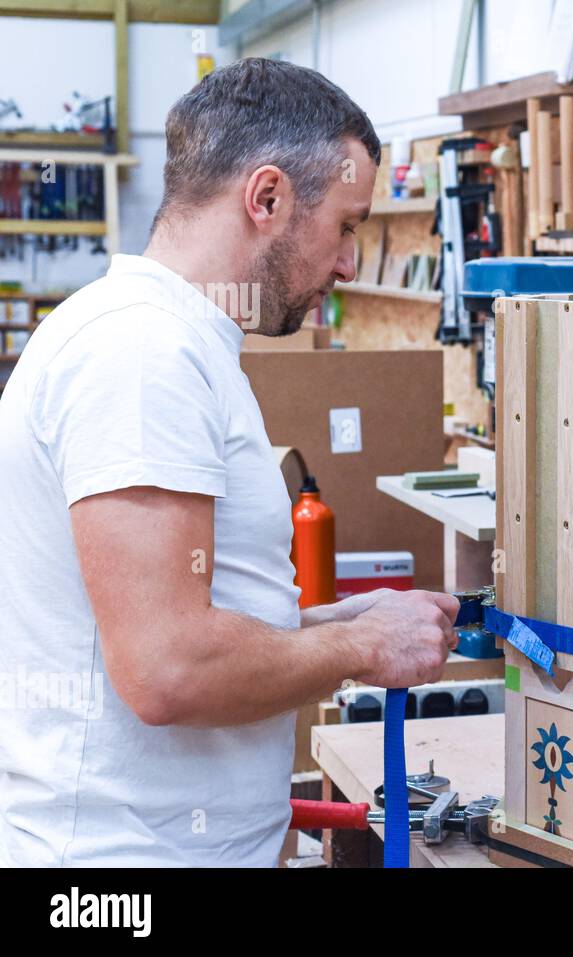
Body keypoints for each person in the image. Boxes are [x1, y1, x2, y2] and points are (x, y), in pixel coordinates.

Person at [0, 58, 458, 866]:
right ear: (268, 198)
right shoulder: (141, 356)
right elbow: (168, 668)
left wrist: (342, 620)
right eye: (347, 227)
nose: (350, 264)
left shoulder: (177, 345)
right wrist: (357, 651)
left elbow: (194, 623)